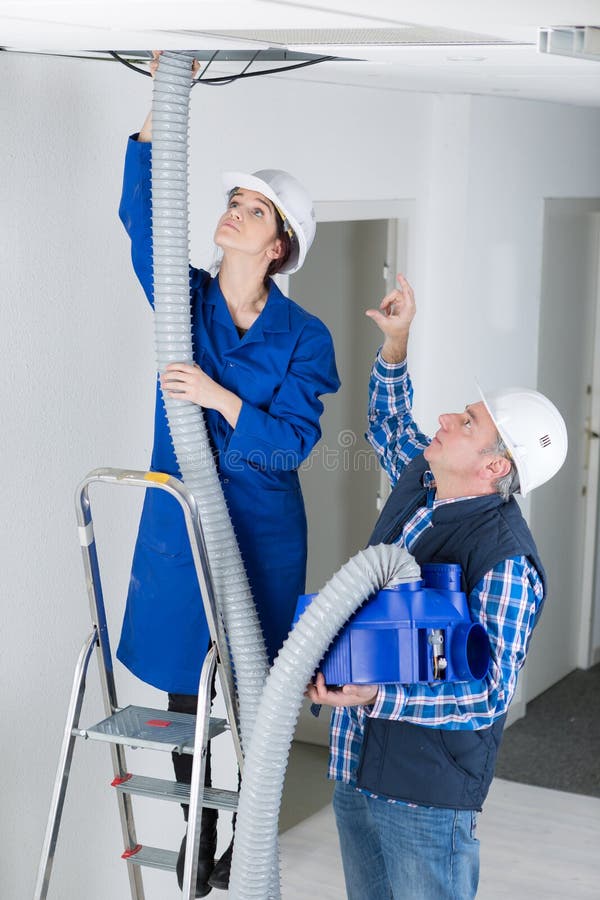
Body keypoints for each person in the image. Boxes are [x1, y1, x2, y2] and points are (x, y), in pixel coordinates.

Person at [118, 53, 340, 896]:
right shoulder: (186, 300)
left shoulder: (305, 337)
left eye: (250, 210)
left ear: (278, 243)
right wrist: (152, 114)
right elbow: (143, 223)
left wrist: (215, 395)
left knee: (254, 688)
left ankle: (249, 831)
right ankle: (198, 829)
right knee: (187, 688)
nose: (231, 214)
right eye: (232, 202)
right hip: (184, 528)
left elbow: (287, 446)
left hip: (261, 533)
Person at [307, 274, 567, 900]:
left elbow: (485, 694)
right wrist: (396, 344)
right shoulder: (425, 484)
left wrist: (375, 696)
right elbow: (390, 423)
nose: (448, 417)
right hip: (357, 768)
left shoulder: (505, 560)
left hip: (425, 798)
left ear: (495, 466)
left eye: (469, 421)